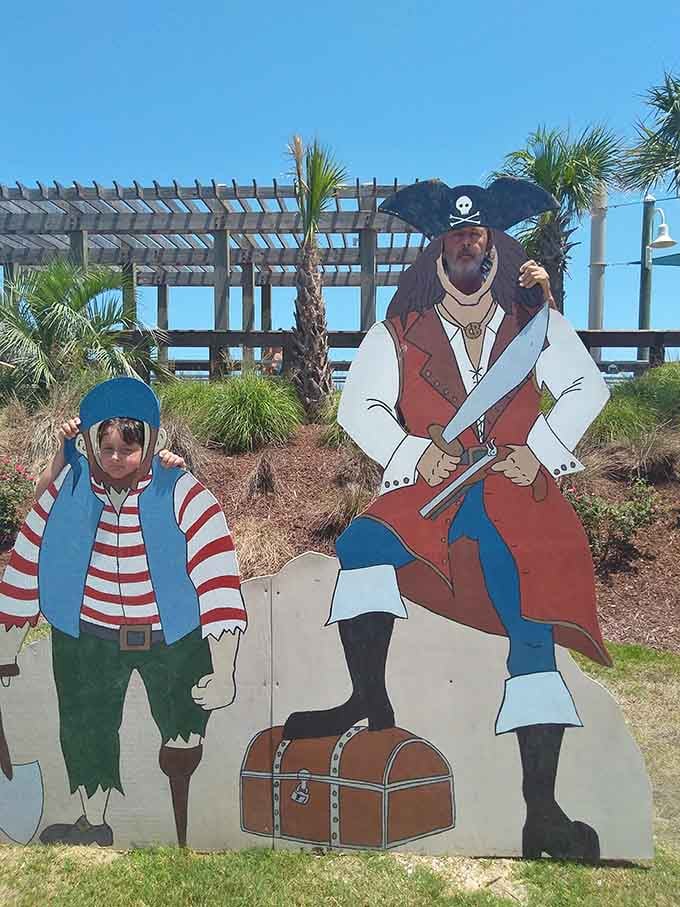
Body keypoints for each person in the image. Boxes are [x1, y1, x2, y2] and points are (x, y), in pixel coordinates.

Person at [283, 179, 611, 861]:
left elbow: (588, 386)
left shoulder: (533, 321)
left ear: (491, 245)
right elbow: (359, 408)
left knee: (531, 618)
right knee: (365, 540)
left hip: (514, 496)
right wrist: (411, 450)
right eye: (456, 236)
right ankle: (367, 703)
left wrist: (539, 452)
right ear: (439, 247)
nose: (468, 245)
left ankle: (542, 811)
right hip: (434, 493)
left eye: (478, 235)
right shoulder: (399, 328)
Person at [0, 377, 247, 847]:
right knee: (85, 727)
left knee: (183, 725)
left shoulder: (183, 492)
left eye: (128, 447)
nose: (116, 458)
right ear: (89, 443)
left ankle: (184, 819)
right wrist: (6, 644)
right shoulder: (66, 491)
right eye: (105, 446)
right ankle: (94, 823)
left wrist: (225, 670)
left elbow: (217, 579)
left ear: (150, 442)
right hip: (88, 635)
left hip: (171, 636)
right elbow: (30, 554)